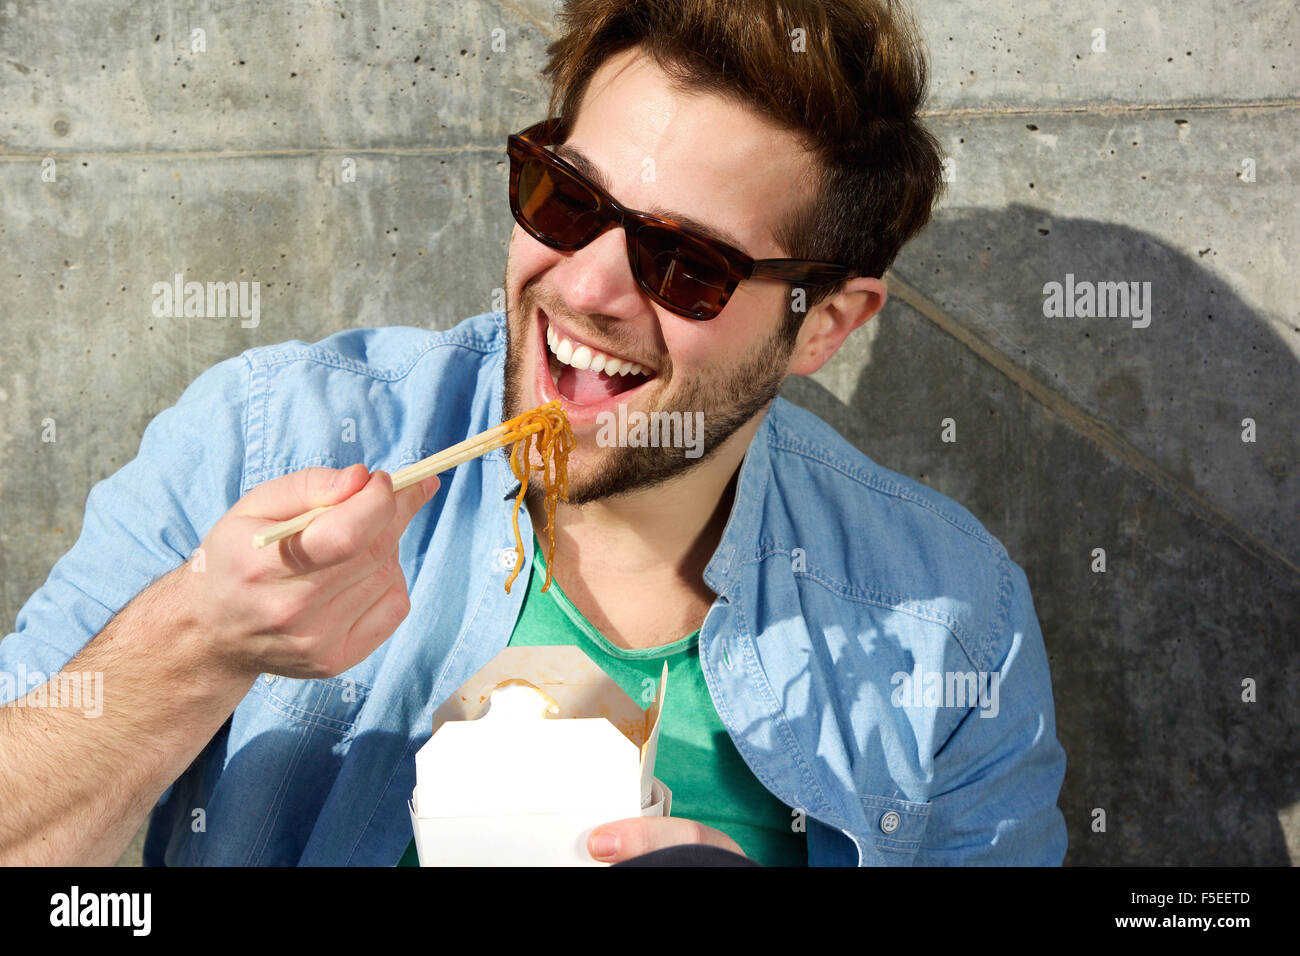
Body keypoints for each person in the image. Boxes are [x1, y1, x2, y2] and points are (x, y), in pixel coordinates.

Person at [0, 0, 1067, 867]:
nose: (585, 284)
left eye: (685, 263)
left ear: (823, 323)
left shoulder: (949, 616)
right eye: (564, 199)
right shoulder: (267, 438)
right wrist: (197, 644)